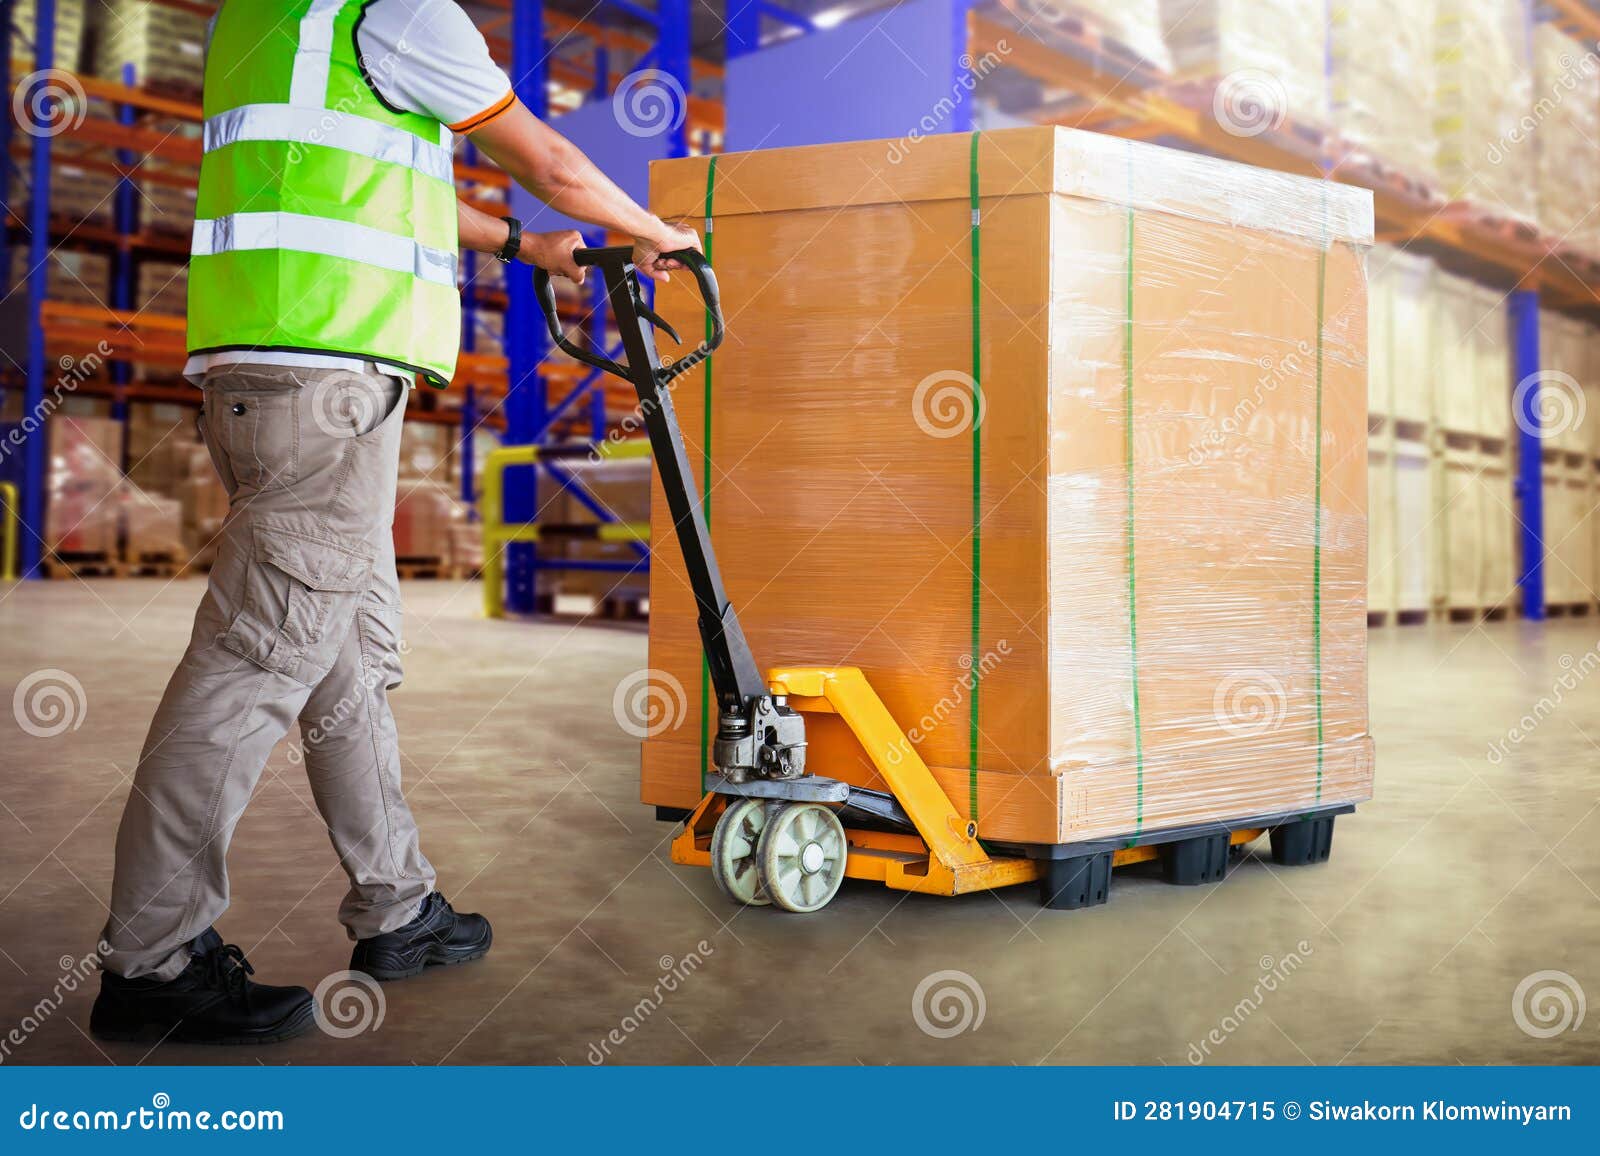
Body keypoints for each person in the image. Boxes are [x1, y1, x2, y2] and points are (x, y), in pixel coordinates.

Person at [90, 0, 700, 1046]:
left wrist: (527, 245)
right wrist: (657, 236)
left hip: (279, 373)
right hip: (324, 383)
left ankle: (399, 907)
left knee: (350, 660)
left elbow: (382, 196)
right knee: (254, 659)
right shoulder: (399, 11)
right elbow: (549, 156)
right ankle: (154, 960)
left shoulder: (269, 24)